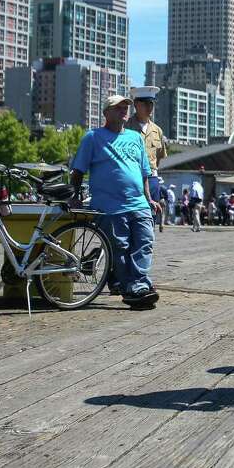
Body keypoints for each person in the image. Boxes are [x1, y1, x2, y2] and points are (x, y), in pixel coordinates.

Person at [70, 94, 158, 308]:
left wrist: (149, 198)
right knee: (120, 247)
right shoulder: (93, 137)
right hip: (109, 206)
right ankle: (134, 287)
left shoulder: (136, 138)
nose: (124, 111)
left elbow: (144, 172)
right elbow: (78, 170)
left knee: (145, 243)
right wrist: (74, 196)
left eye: (125, 107)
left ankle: (137, 285)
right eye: (118, 108)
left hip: (138, 203)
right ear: (106, 113)